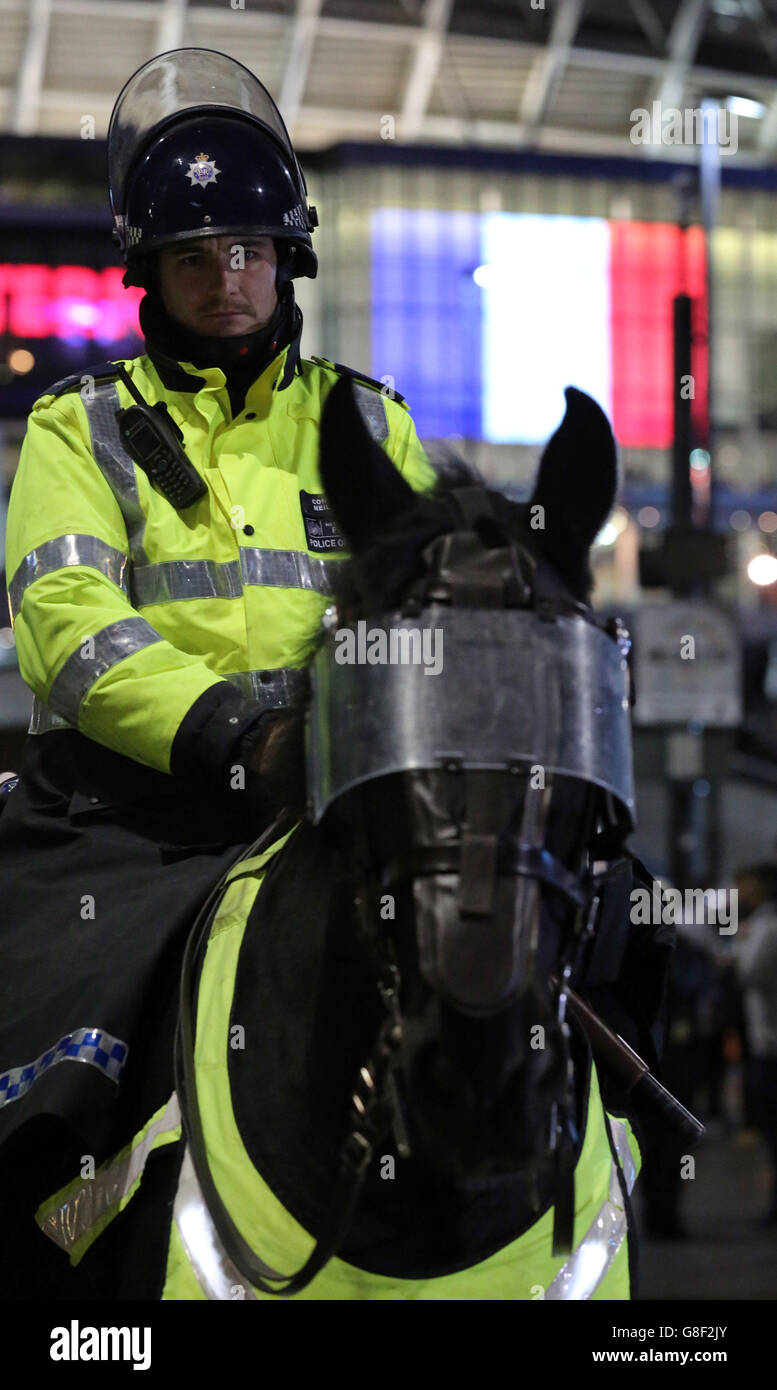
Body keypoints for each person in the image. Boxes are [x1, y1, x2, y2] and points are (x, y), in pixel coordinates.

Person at [0, 48, 433, 1226]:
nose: (224, 279)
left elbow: (431, 617)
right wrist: (238, 736)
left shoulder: (371, 421)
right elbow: (70, 631)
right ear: (150, 272)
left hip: (345, 804)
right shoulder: (75, 431)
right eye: (193, 256)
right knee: (42, 1071)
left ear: (284, 254)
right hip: (135, 822)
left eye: (245, 249)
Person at [732, 862, 777, 1223]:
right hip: (765, 1041)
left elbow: (749, 973)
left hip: (770, 1043)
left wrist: (740, 942)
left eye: (743, 884)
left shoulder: (766, 926)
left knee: (772, 1128)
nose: (739, 892)